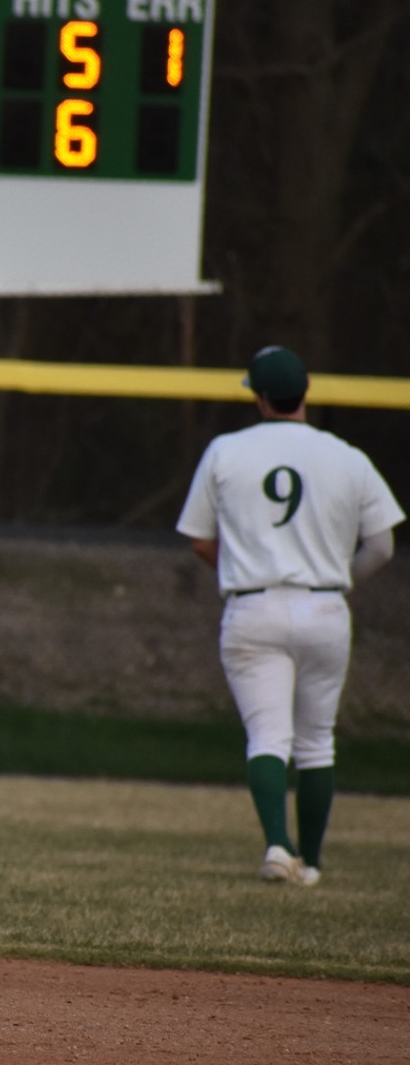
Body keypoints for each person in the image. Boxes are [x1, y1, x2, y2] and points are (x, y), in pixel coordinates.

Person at [176, 345, 402, 886]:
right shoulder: (347, 455)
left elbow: (199, 539)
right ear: (305, 394)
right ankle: (314, 863)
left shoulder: (226, 451)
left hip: (253, 604)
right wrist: (338, 579)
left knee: (268, 737)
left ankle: (279, 846)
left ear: (259, 397)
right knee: (317, 740)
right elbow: (384, 545)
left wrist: (240, 571)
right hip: (324, 604)